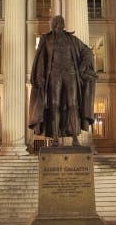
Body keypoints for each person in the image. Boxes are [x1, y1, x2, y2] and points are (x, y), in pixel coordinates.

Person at [29, 15, 97, 146]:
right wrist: (39, 76)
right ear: (55, 24)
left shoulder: (71, 39)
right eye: (58, 22)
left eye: (60, 22)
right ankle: (55, 138)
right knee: (54, 105)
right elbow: (40, 59)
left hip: (71, 74)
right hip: (54, 75)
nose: (60, 24)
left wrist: (82, 67)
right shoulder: (46, 39)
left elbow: (88, 52)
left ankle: (75, 138)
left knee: (73, 104)